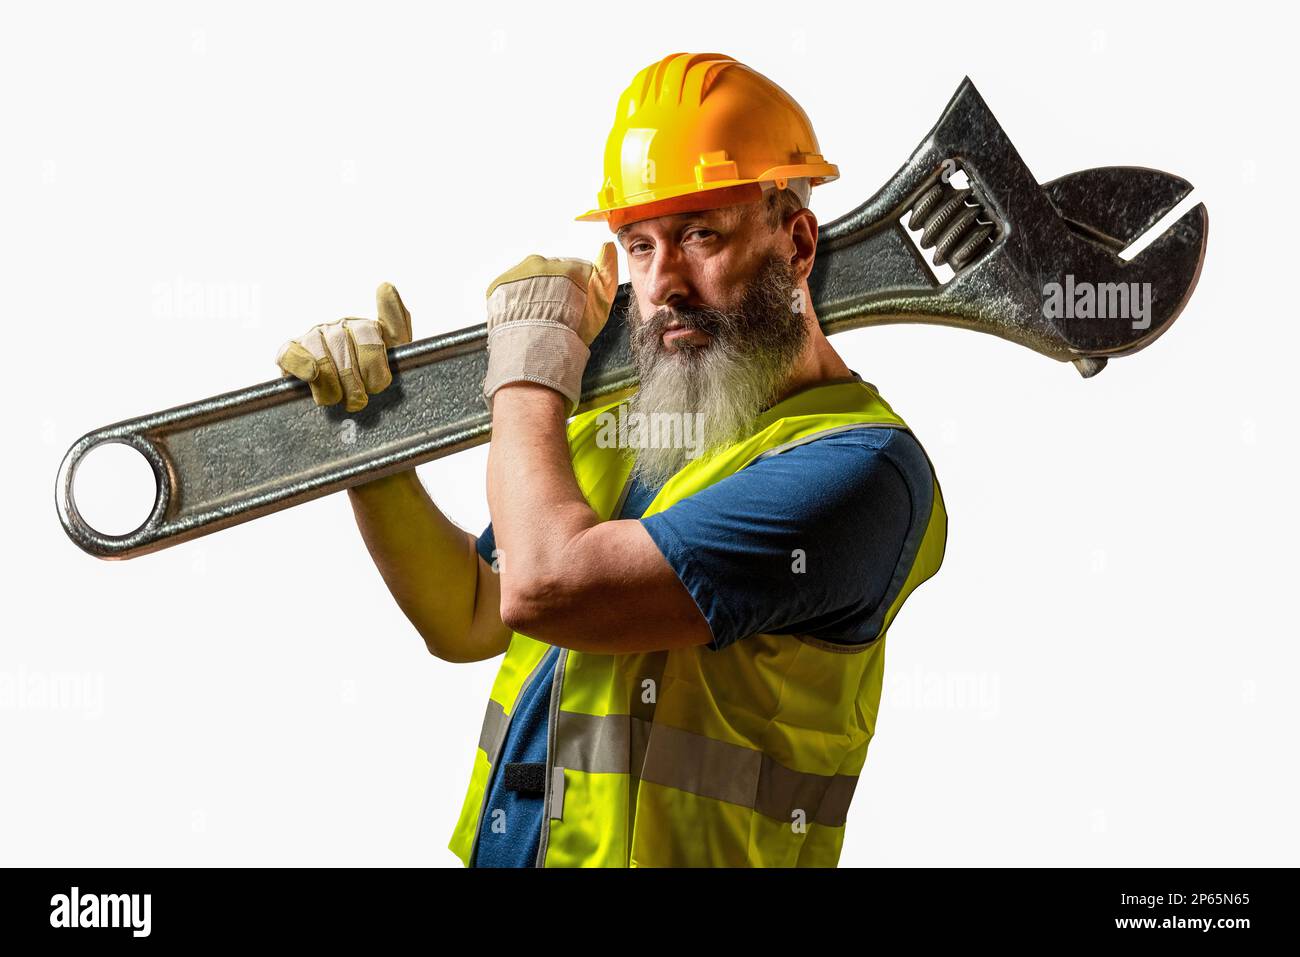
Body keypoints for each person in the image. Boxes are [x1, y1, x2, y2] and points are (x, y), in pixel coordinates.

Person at [274, 52, 946, 867]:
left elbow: (548, 585)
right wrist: (371, 441)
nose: (664, 281)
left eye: (701, 233)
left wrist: (526, 372)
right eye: (639, 244)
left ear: (798, 240)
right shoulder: (624, 422)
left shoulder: (860, 472)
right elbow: (469, 610)